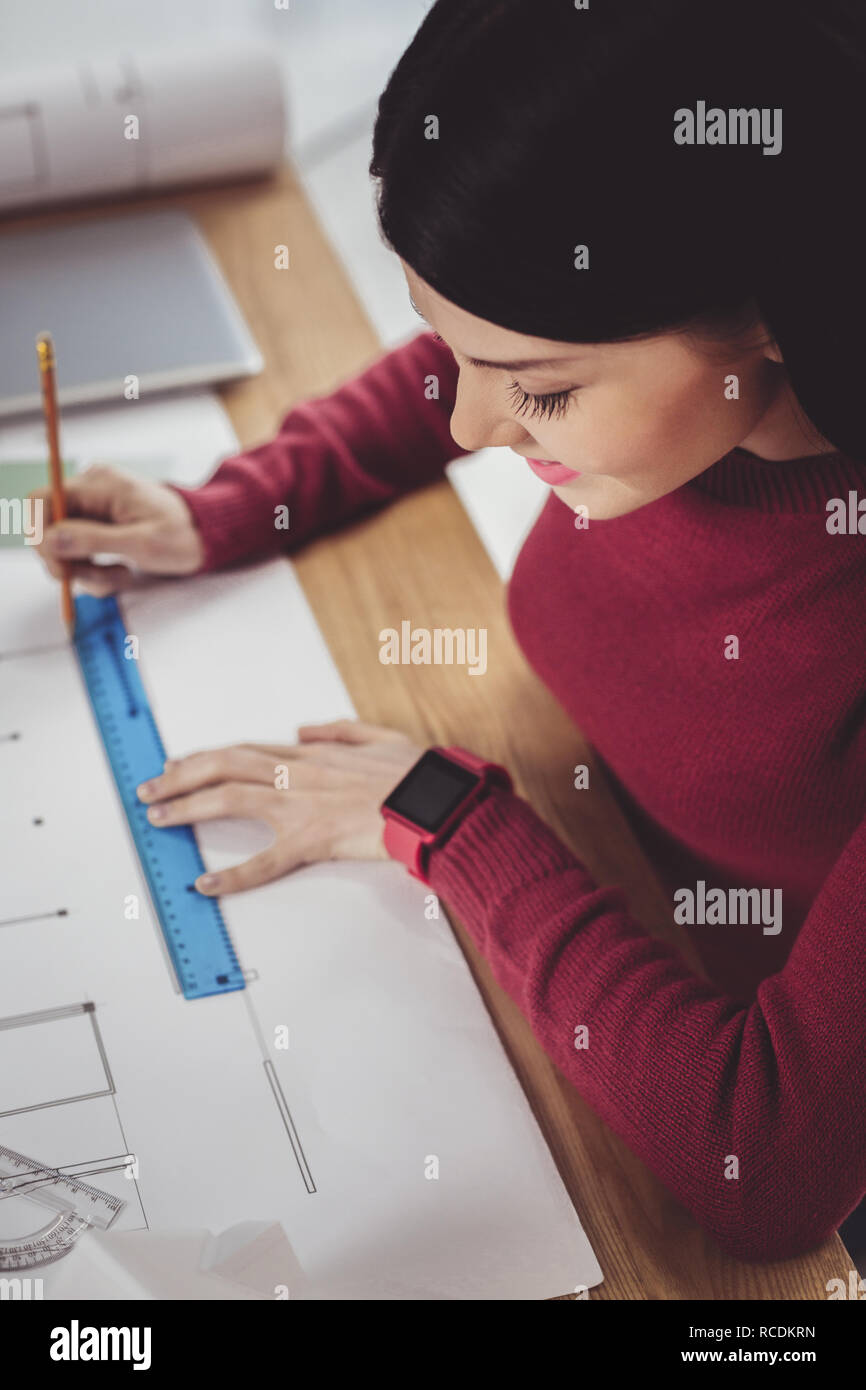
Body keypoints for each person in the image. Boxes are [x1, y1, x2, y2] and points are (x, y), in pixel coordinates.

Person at [32, 0, 866, 1268]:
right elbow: (465, 370)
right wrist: (229, 505)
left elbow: (756, 1165)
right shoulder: (681, 380)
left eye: (538, 392)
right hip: (625, 861)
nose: (473, 425)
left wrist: (442, 815)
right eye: (451, 345)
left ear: (769, 306)